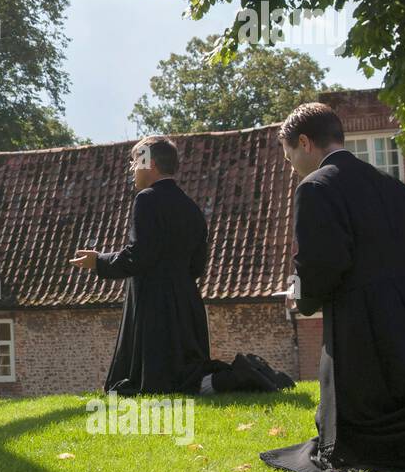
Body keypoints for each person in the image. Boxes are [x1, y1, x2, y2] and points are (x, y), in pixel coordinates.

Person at [262, 103, 405, 472]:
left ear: (304, 143)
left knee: (370, 431)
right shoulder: (399, 189)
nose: (292, 170)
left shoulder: (316, 188)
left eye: (290, 159)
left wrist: (301, 297)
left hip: (367, 329)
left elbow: (320, 264)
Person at [70, 137, 289, 395]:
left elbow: (139, 256)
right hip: (186, 303)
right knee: (186, 378)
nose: (131, 169)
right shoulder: (191, 208)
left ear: (149, 164)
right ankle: (245, 377)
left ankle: (243, 376)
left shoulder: (147, 200)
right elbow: (197, 266)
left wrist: (100, 261)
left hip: (155, 306)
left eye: (134, 162)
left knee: (160, 382)